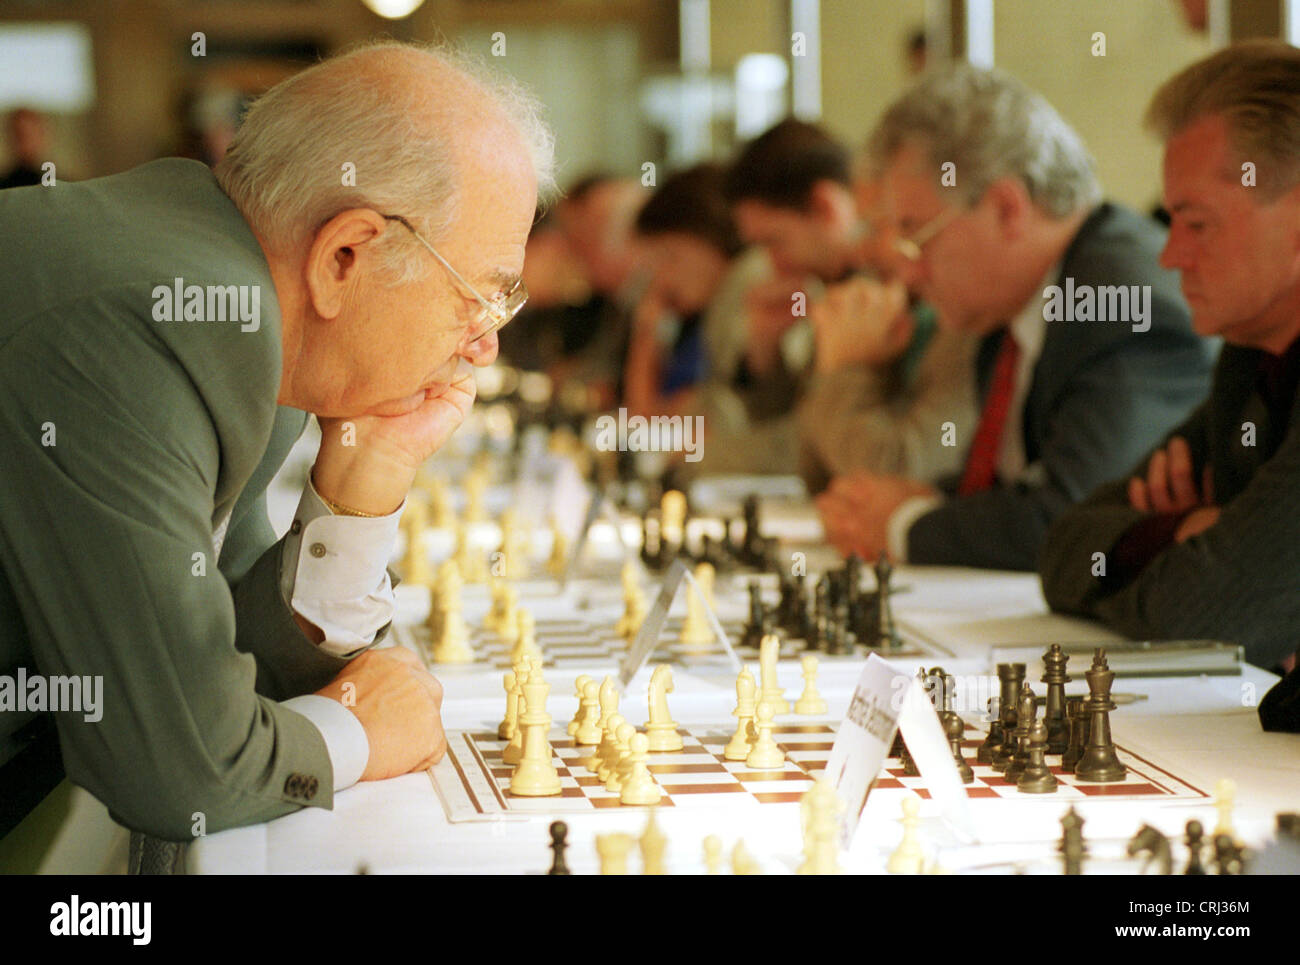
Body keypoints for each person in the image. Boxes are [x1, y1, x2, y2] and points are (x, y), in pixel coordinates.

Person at [0, 41, 553, 865]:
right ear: (344, 257)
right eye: (479, 295)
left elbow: (231, 659)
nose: (482, 349)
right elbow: (180, 764)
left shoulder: (236, 302)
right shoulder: (157, 323)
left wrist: (367, 479)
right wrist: (357, 732)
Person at [816, 63, 1215, 570]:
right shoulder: (1007, 310)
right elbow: (1012, 488)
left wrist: (906, 523)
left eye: (915, 234)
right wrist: (907, 501)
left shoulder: (1120, 299)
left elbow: (1076, 520)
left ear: (1007, 208)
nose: (906, 270)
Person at [1040, 42, 1300, 682]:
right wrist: (1182, 529)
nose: (1169, 256)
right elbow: (1066, 547)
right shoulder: (1250, 354)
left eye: (1197, 224)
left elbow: (1216, 609)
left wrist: (1198, 551)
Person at [725, 119, 976, 492]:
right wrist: (765, 356)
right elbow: (818, 462)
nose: (868, 250)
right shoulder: (858, 296)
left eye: (897, 227)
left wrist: (844, 369)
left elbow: (897, 473)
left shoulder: (958, 311)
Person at [623, 163, 791, 474]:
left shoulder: (750, 284)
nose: (662, 279)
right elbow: (651, 421)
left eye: (671, 256)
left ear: (714, 235)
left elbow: (653, 424)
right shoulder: (703, 319)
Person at [0, 108, 51, 189]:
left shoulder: (56, 185)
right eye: (20, 136)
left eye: (31, 136)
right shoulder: (3, 187)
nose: (26, 142)